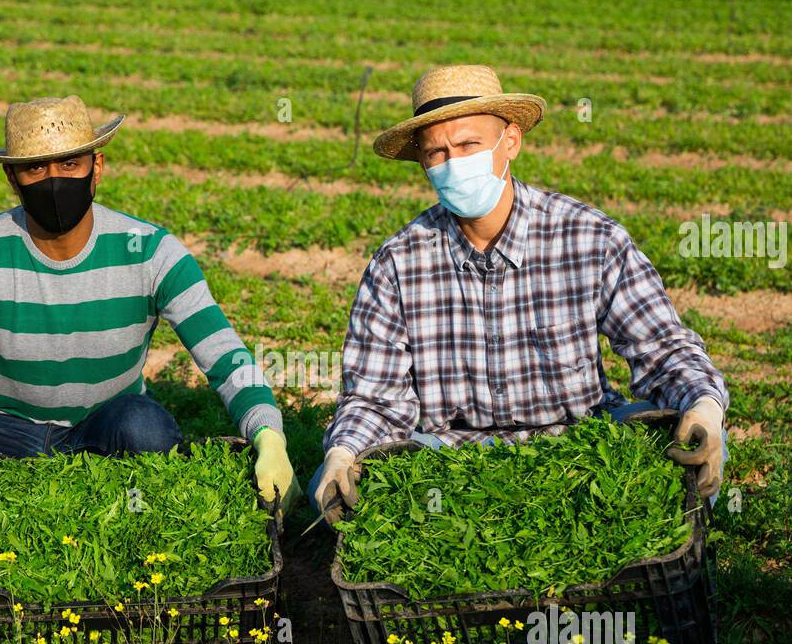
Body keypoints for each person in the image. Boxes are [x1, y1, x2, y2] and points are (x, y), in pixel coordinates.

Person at [0, 95, 301, 562]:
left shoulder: (152, 252)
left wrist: (270, 436)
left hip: (108, 422)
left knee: (145, 430)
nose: (54, 180)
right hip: (0, 426)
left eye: (70, 163)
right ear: (11, 178)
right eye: (35, 169)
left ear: (97, 166)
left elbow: (226, 358)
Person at [311, 65, 729, 523]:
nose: (454, 163)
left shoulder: (589, 239)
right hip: (450, 461)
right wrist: (344, 451)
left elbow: (662, 348)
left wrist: (704, 406)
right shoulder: (398, 263)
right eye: (437, 153)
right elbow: (375, 397)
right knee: (352, 484)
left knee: (674, 448)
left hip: (583, 448)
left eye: (469, 145)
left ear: (510, 141)